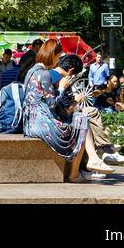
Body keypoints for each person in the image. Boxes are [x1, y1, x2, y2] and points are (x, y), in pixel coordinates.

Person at [21, 42, 96, 182]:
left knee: (78, 120)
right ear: (52, 55)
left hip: (30, 123)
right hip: (42, 124)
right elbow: (52, 103)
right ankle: (75, 173)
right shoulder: (44, 74)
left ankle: (88, 163)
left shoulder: (32, 71)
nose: (58, 61)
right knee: (81, 119)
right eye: (58, 56)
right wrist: (62, 87)